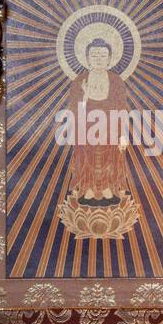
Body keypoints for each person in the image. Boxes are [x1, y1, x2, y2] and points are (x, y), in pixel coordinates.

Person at [65, 40, 131, 205]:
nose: (99, 59)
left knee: (110, 158)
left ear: (109, 59)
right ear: (87, 58)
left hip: (110, 128)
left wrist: (123, 134)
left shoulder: (116, 81)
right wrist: (86, 96)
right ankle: (87, 191)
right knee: (86, 157)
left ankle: (109, 191)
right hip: (86, 128)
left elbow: (122, 107)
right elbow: (74, 109)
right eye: (94, 55)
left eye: (103, 55)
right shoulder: (80, 81)